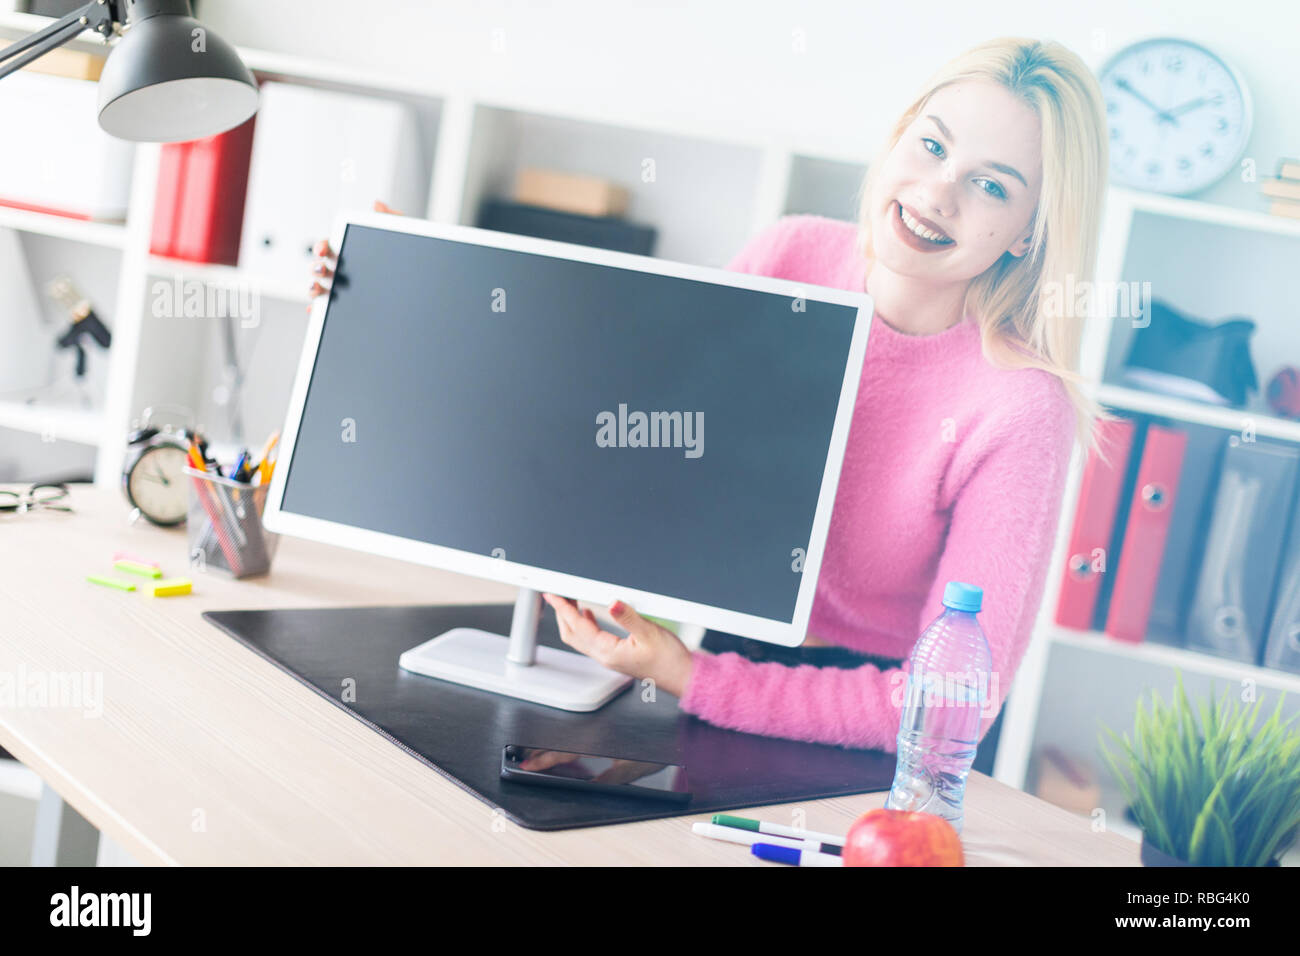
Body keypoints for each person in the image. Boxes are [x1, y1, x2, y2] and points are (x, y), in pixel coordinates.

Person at [309, 36, 1108, 753]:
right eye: (931, 146)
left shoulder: (1019, 406)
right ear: (899, 135)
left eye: (992, 187)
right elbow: (631, 439)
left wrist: (691, 675)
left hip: (868, 738)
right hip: (714, 670)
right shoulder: (792, 254)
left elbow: (947, 709)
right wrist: (396, 301)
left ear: (1033, 229)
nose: (938, 194)